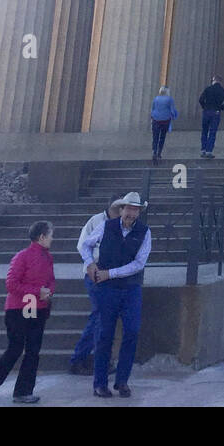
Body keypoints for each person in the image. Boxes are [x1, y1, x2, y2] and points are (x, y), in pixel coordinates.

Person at [79, 192, 151, 398]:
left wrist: (109, 273)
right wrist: (90, 264)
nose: (131, 213)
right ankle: (100, 383)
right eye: (128, 208)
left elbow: (139, 264)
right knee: (104, 334)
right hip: (108, 289)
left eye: (135, 209)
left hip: (129, 288)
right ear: (121, 209)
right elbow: (85, 244)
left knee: (132, 331)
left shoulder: (144, 232)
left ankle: (122, 380)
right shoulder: (106, 226)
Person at [0, 220, 55, 404]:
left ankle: (23, 391)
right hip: (20, 306)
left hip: (36, 306)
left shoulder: (48, 257)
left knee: (33, 349)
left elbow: (51, 280)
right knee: (16, 347)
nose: (51, 239)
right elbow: (11, 284)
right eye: (50, 235)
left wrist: (48, 292)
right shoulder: (22, 256)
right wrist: (37, 292)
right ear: (41, 237)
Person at [67, 198, 124, 376]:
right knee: (99, 317)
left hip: (112, 275)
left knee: (106, 319)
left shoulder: (123, 225)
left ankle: (100, 359)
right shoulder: (96, 221)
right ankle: (80, 359)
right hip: (95, 273)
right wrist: (92, 264)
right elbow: (82, 245)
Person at [197, 75, 224, 158]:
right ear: (220, 82)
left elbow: (201, 99)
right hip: (216, 112)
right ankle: (209, 150)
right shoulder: (223, 91)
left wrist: (205, 107)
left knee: (204, 131)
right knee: (212, 132)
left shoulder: (207, 89)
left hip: (207, 112)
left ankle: (203, 149)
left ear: (214, 81)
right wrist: (221, 108)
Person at [150, 86, 177, 163]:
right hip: (165, 119)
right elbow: (172, 110)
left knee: (155, 136)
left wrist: (152, 117)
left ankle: (154, 151)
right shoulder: (169, 99)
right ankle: (159, 152)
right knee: (162, 136)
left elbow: (153, 109)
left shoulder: (156, 99)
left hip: (156, 119)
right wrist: (174, 116)